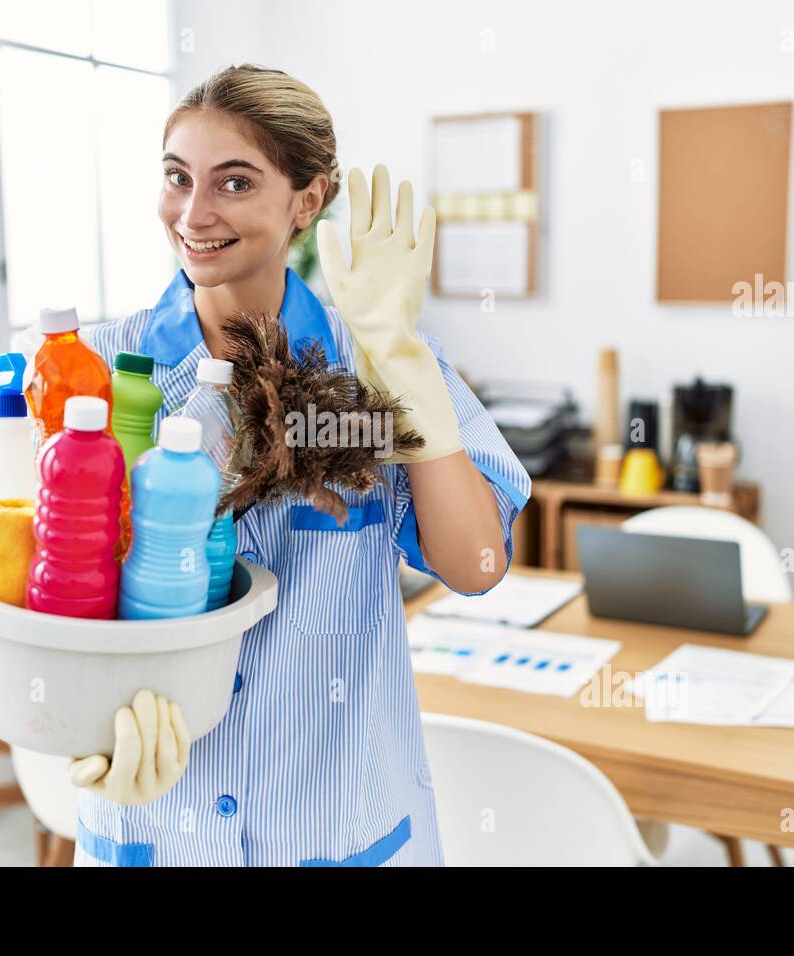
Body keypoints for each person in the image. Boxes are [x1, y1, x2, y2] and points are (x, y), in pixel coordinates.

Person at [69, 64, 530, 866]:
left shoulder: (380, 362)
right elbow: (48, 599)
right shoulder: (100, 372)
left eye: (235, 182)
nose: (195, 212)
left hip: (339, 833)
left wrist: (400, 361)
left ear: (307, 202)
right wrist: (75, 724)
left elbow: (478, 563)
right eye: (178, 178)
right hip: (156, 827)